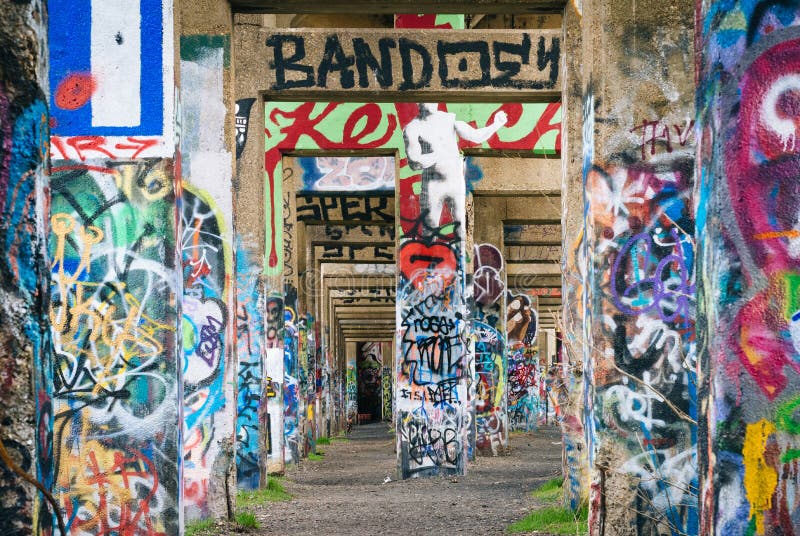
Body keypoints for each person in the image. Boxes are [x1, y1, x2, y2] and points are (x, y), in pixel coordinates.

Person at [403, 103, 508, 234]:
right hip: (432, 186)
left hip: (454, 182)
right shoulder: (412, 128)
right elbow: (414, 161)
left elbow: (475, 136)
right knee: (429, 231)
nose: (431, 102)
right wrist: (439, 155)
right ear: (418, 102)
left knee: (461, 230)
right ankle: (430, 254)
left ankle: (463, 255)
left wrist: (496, 124)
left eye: (433, 99)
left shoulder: (449, 120)